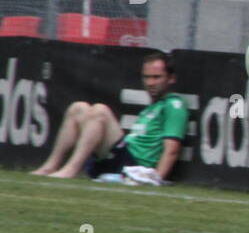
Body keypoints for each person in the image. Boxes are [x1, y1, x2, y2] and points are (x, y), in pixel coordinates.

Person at [31, 51, 188, 183]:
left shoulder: (174, 105)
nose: (150, 83)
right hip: (121, 159)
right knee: (78, 108)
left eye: (156, 77)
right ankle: (50, 166)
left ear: (171, 78)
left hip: (135, 167)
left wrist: (156, 180)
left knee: (101, 111)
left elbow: (171, 150)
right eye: (146, 77)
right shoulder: (152, 107)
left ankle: (72, 169)